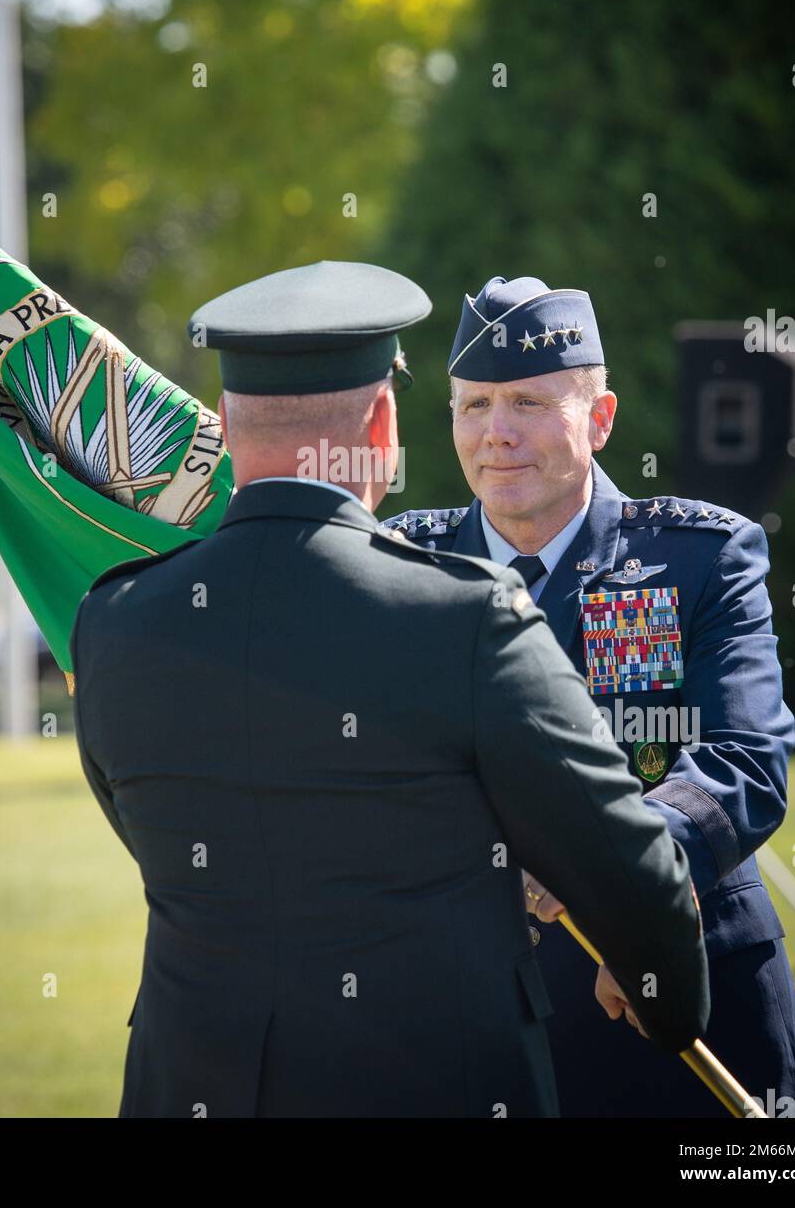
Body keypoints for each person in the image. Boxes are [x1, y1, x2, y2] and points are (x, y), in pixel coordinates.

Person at [70, 260, 709, 1118]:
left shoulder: (115, 618)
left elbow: (150, 834)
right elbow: (626, 862)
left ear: (223, 426)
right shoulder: (463, 612)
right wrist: (669, 1010)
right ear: (382, 424)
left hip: (191, 1080)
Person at [384, 273, 795, 1117]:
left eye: (526, 402)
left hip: (677, 1004)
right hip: (473, 1018)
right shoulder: (407, 567)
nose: (496, 434)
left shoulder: (701, 554)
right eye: (473, 406)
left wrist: (616, 882)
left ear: (601, 417)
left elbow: (746, 764)